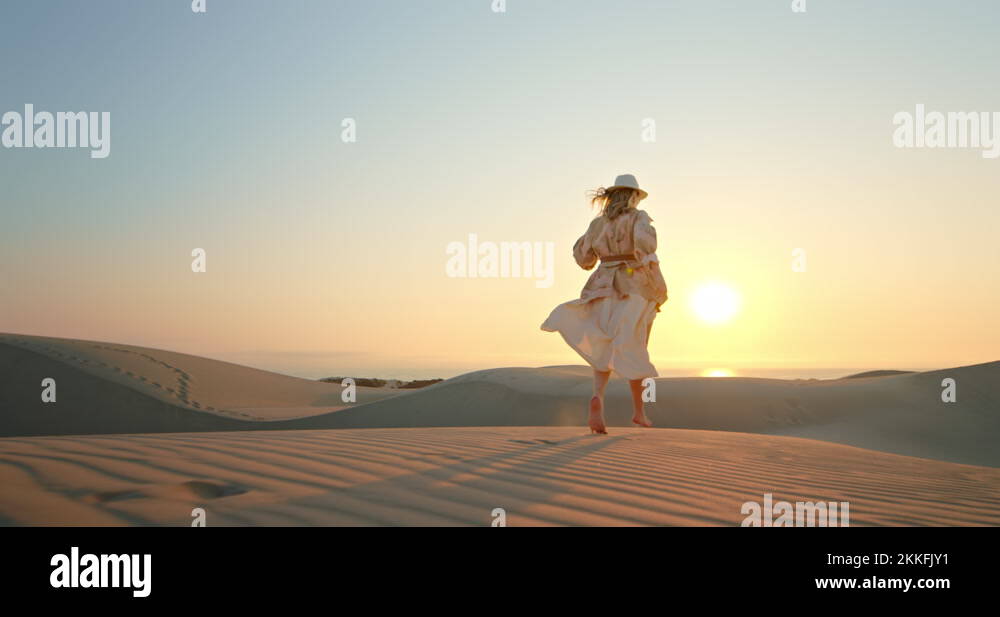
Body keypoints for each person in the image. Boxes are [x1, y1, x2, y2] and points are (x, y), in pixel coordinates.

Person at [541, 174, 668, 434]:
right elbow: (648, 245)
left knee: (604, 345)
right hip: (634, 286)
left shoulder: (597, 224)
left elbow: (584, 258)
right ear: (633, 196)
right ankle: (639, 413)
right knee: (634, 346)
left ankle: (598, 395)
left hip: (601, 285)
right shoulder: (639, 217)